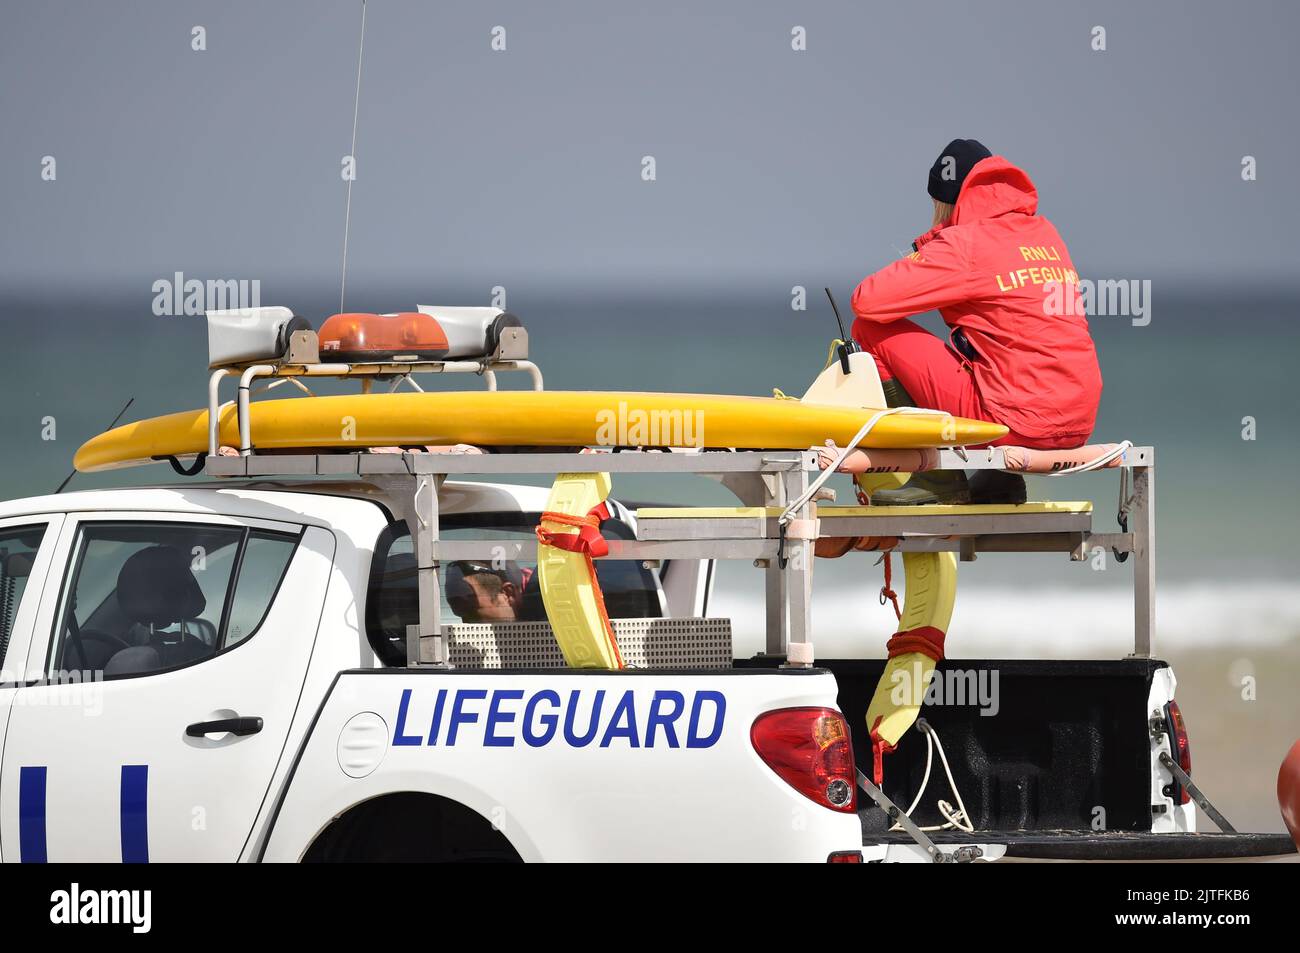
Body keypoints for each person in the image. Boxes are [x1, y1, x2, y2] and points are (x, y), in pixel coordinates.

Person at [844, 139, 1102, 504]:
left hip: (1017, 427)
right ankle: (1001, 482)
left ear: (945, 202)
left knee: (869, 330)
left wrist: (937, 240)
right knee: (995, 350)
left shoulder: (964, 243)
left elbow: (867, 300)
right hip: (1077, 424)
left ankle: (938, 479)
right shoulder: (1046, 235)